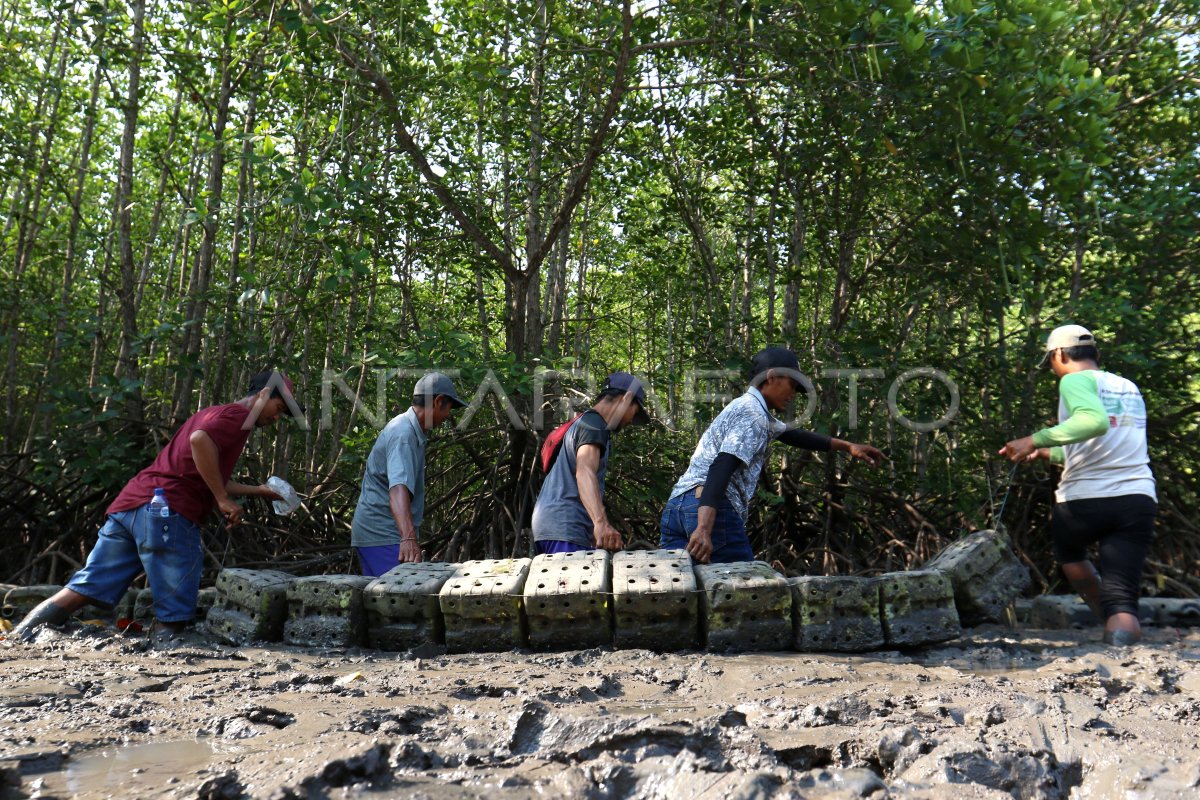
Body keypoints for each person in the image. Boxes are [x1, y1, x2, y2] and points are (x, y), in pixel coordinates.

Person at [11, 369, 304, 641]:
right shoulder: (238, 417)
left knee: (85, 586)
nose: (277, 419)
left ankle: (20, 637)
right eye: (279, 410)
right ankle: (166, 650)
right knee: (176, 599)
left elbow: (207, 470)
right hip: (167, 512)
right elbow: (200, 441)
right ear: (264, 394)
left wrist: (260, 491)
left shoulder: (212, 413)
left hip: (131, 506)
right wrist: (222, 499)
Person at [1000, 324, 1157, 646]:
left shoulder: (1073, 379)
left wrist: (1033, 439)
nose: (1054, 370)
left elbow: (1093, 423)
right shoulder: (1127, 386)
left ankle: (1105, 616)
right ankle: (1118, 627)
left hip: (1085, 499)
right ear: (1094, 352)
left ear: (1058, 354)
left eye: (1052, 363)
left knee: (1069, 551)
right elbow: (1106, 440)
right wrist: (1049, 452)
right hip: (1137, 496)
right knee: (1123, 593)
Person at [661, 347, 885, 564]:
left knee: (682, 594)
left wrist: (848, 447)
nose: (793, 395)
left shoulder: (747, 408)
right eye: (792, 384)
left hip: (677, 508)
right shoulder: (752, 413)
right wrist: (703, 527)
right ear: (771, 377)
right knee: (744, 592)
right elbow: (722, 465)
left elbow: (792, 435)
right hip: (708, 509)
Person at [350, 372, 466, 576]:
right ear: (438, 402)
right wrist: (408, 538)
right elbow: (398, 489)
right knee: (402, 598)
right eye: (448, 409)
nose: (448, 416)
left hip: (381, 533)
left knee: (383, 600)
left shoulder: (412, 431)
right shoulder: (403, 433)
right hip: (382, 534)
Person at [531, 372, 650, 555]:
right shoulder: (596, 425)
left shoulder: (583, 422)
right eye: (635, 412)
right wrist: (600, 523)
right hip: (565, 528)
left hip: (550, 526)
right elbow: (584, 471)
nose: (631, 421)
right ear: (626, 398)